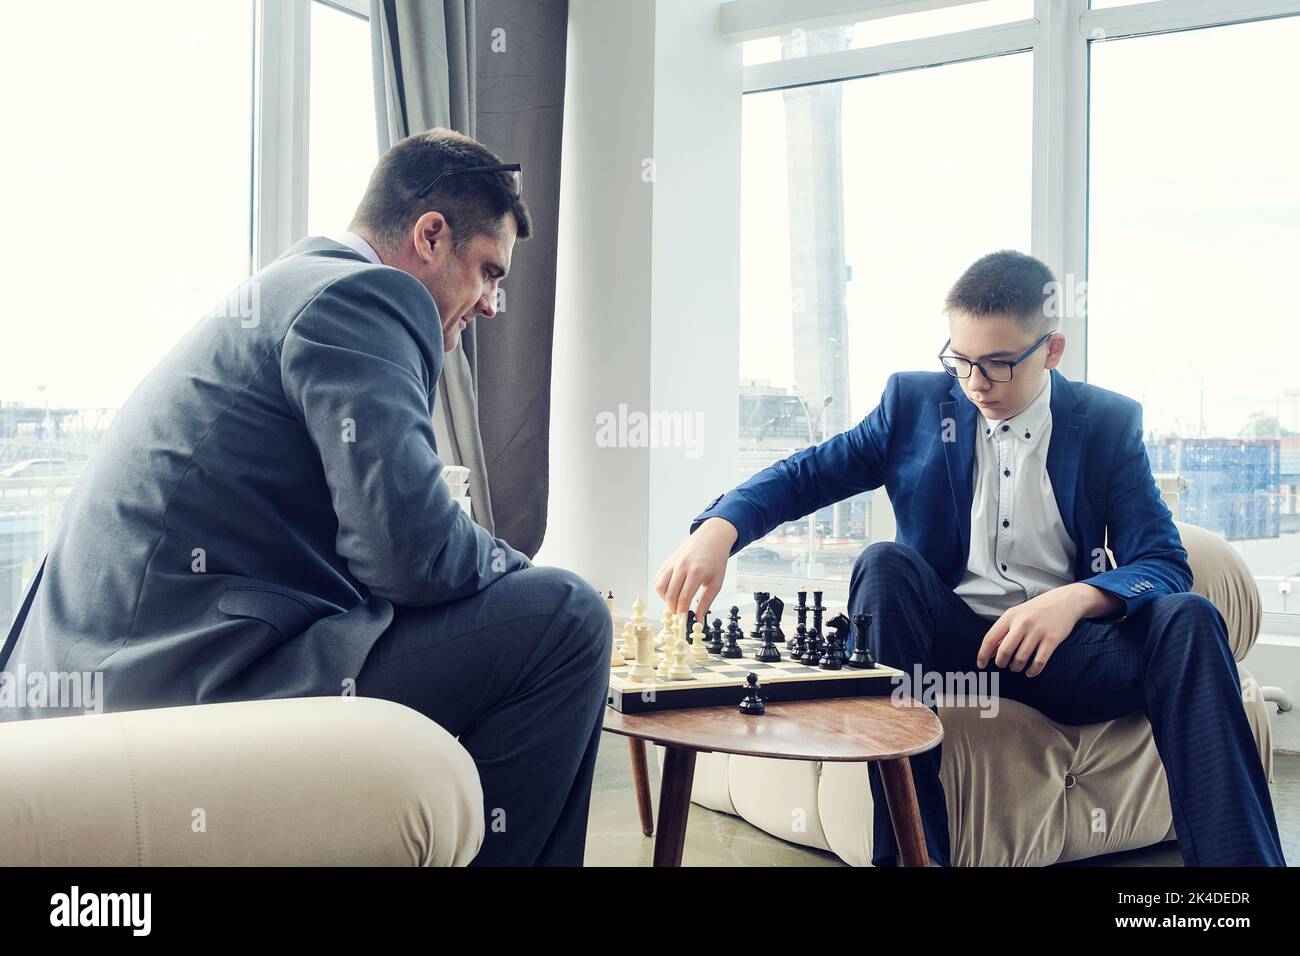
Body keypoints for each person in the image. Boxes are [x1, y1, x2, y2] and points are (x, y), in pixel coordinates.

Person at [0, 127, 611, 867]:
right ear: (429, 235)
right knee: (569, 619)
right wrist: (510, 564)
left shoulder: (295, 285)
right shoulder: (365, 296)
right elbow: (410, 552)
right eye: (488, 272)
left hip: (106, 676)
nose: (489, 304)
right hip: (181, 684)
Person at [655, 250, 1286, 867]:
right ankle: (911, 857)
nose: (976, 384)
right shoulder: (916, 405)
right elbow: (807, 475)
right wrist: (719, 528)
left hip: (1065, 657)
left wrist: (1075, 600)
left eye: (999, 364)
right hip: (947, 652)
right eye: (961, 361)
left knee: (1190, 618)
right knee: (884, 565)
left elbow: (1163, 562)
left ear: (1052, 350)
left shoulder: (1104, 423)